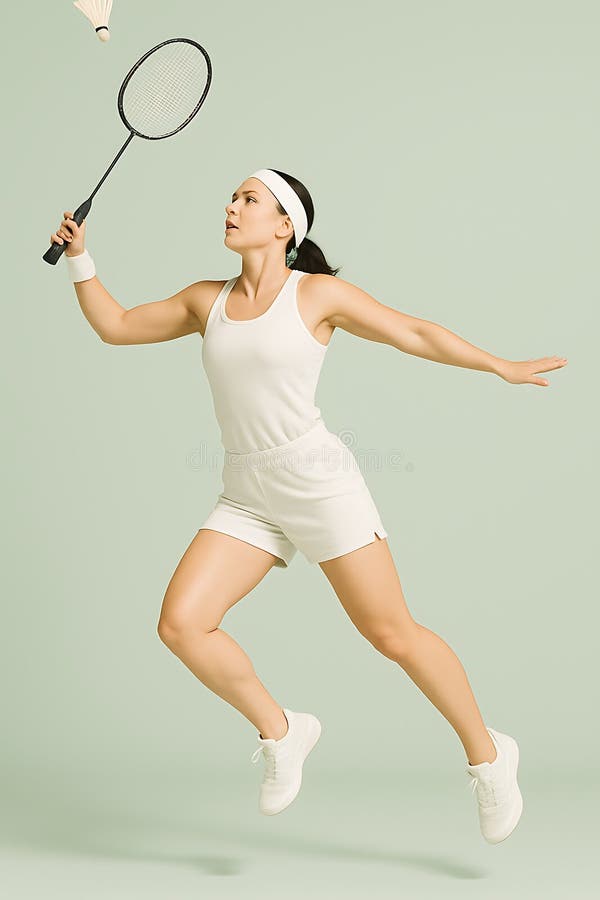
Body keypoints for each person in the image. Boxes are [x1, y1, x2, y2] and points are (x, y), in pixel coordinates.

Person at [51, 167, 567, 839]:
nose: (231, 206)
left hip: (318, 482)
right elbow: (116, 326)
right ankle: (283, 731)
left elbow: (412, 331)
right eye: (232, 198)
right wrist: (80, 258)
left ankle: (490, 755)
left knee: (391, 633)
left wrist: (497, 364)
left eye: (248, 199)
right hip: (247, 491)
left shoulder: (318, 295)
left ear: (284, 225)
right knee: (181, 624)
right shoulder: (205, 300)